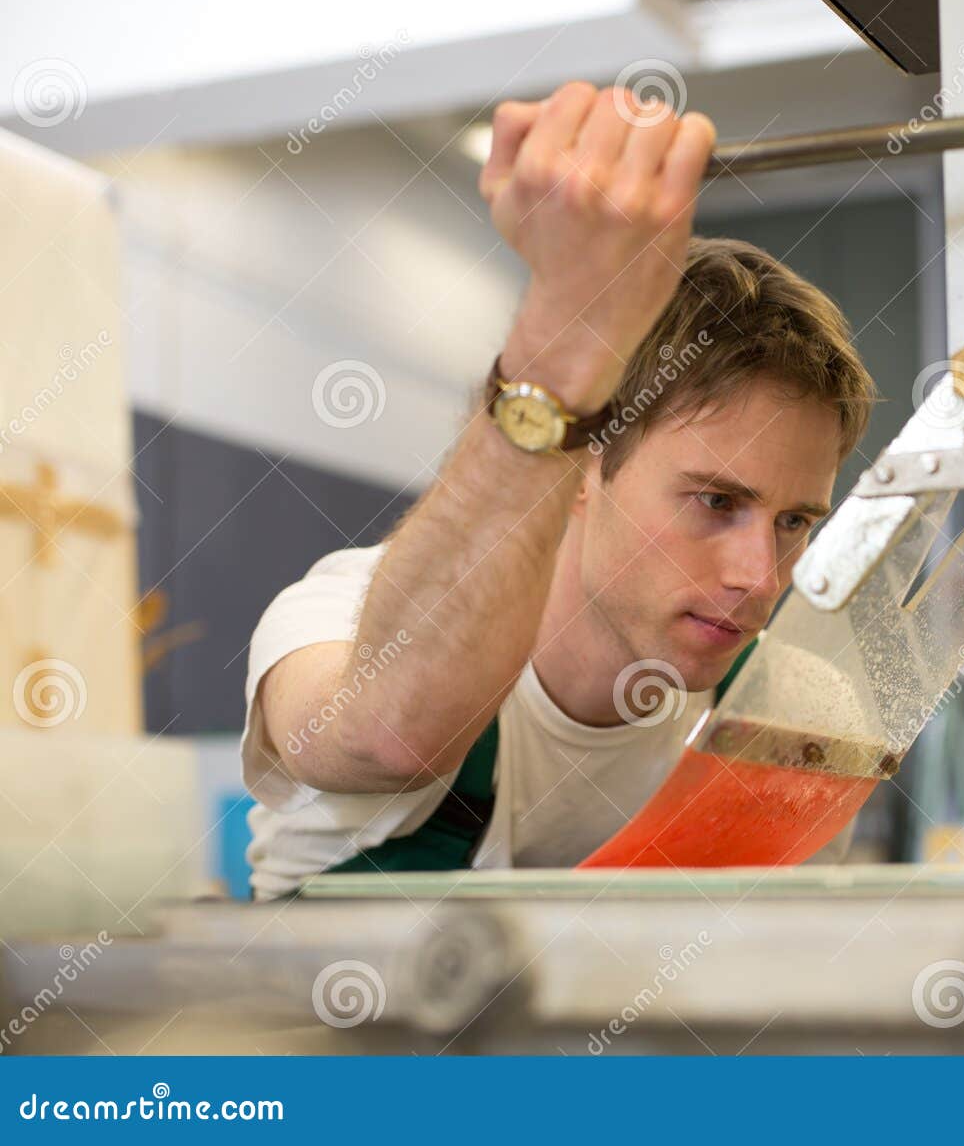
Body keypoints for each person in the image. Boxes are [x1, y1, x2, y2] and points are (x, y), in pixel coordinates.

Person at [240, 82, 878, 899]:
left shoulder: (787, 721)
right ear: (583, 467)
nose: (761, 576)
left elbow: (761, 967)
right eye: (716, 502)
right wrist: (570, 321)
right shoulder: (343, 617)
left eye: (793, 521)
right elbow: (386, 736)